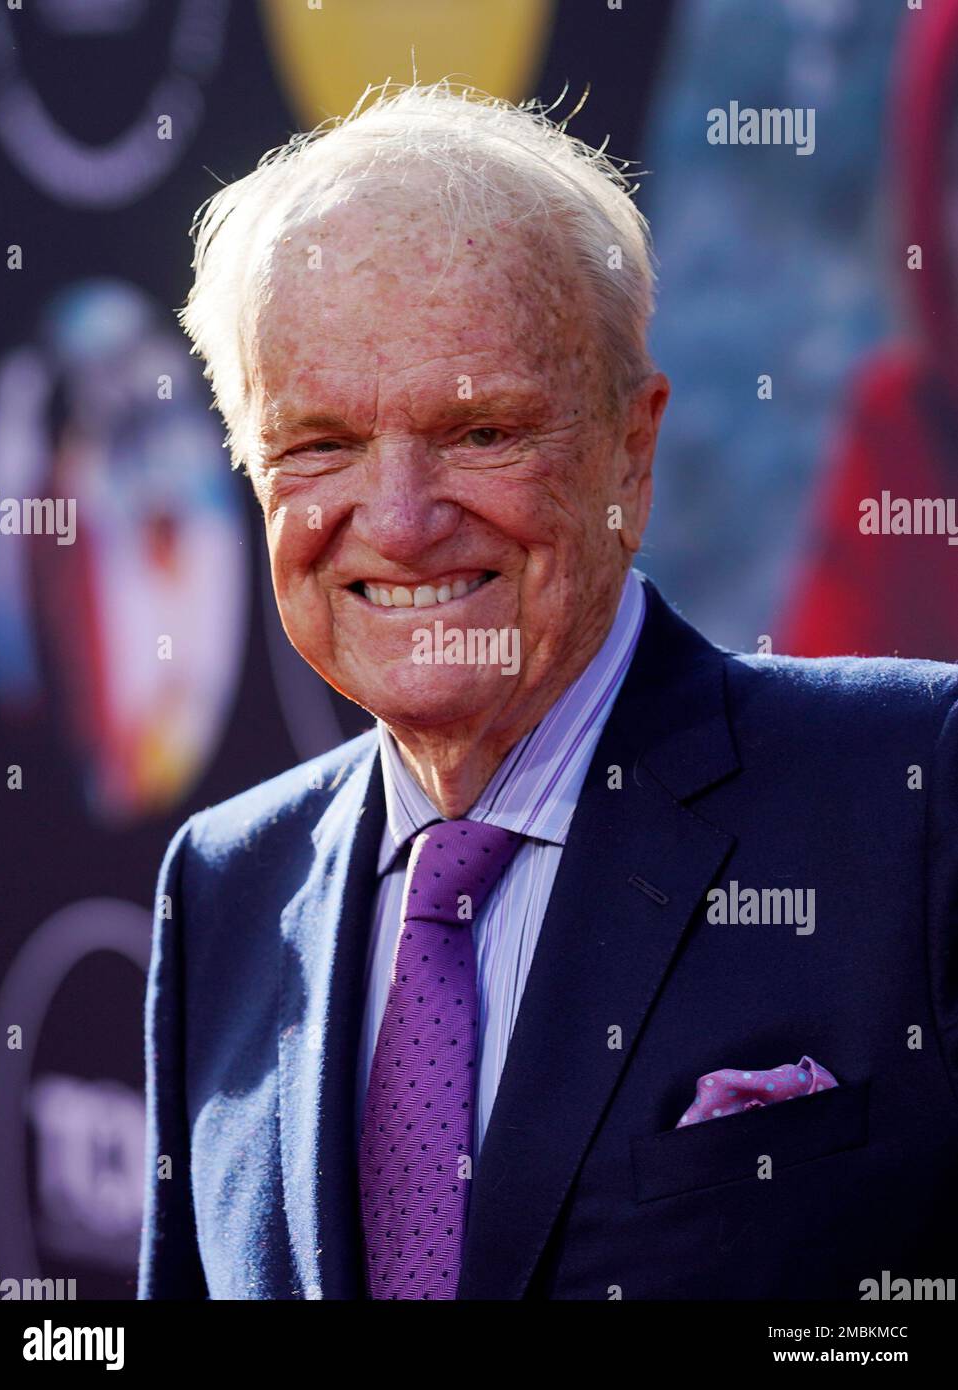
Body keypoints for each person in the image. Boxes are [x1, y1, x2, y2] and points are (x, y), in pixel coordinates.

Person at [138, 84, 958, 1301]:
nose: (402, 521)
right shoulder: (223, 887)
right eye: (319, 445)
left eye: (480, 433)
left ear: (633, 446)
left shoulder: (913, 790)